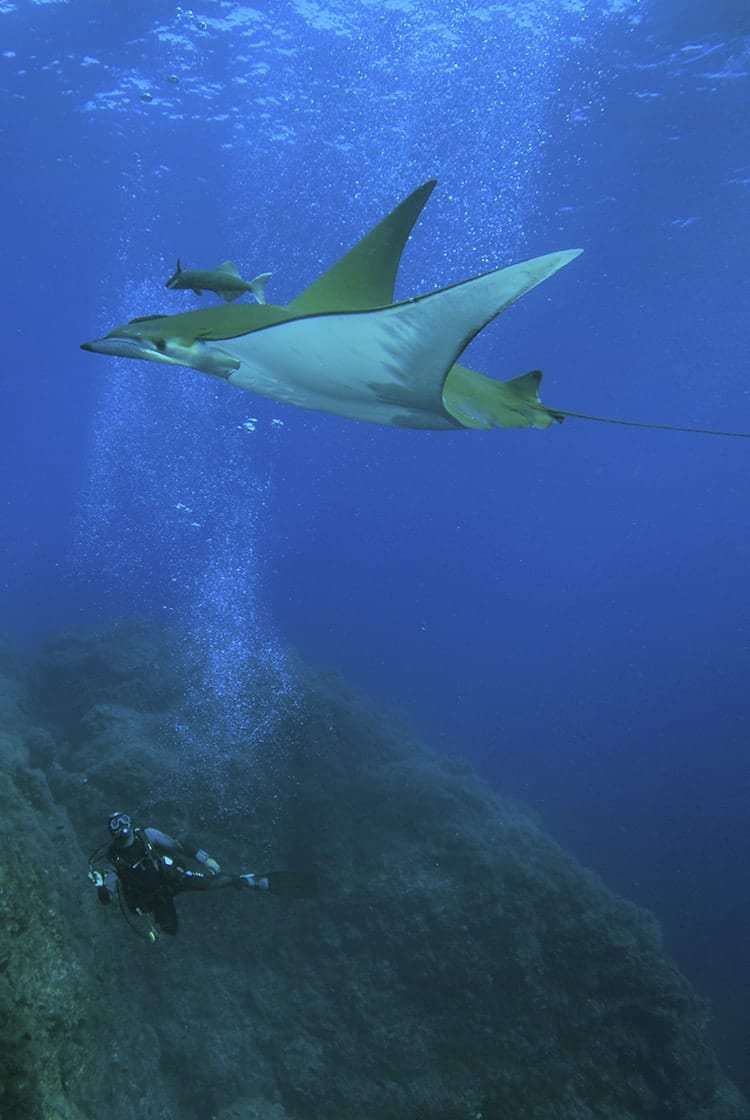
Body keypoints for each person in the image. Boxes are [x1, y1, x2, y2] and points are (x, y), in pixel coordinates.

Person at [88, 811, 317, 940]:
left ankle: (247, 881)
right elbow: (107, 896)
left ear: (130, 821)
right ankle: (161, 924)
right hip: (154, 899)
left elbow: (177, 845)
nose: (122, 825)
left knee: (215, 882)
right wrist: (100, 887)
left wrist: (204, 858)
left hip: (175, 879)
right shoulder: (112, 861)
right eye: (116, 824)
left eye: (124, 820)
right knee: (170, 930)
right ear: (112, 832)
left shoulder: (147, 835)